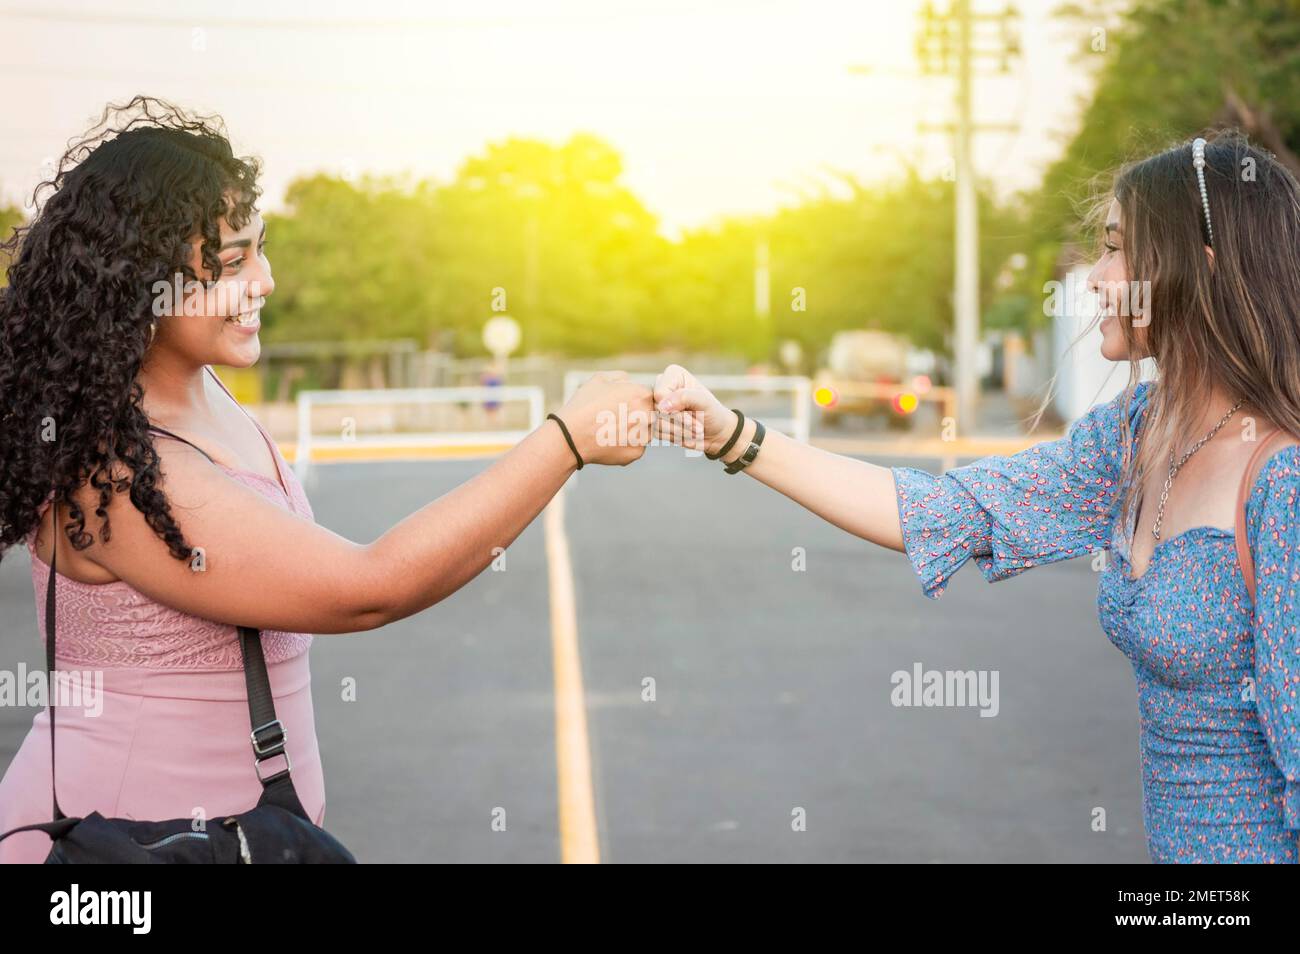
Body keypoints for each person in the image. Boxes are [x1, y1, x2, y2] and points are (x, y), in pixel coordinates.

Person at [0, 97, 652, 863]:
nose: (266, 281)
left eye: (261, 249)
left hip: (232, 840)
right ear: (144, 280)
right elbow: (366, 587)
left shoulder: (207, 397)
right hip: (122, 851)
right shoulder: (113, 470)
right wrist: (564, 441)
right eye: (234, 260)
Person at [653, 131, 1300, 863]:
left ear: (1200, 269)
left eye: (1116, 249)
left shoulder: (1281, 482)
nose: (1095, 278)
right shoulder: (1134, 435)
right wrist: (733, 436)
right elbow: (942, 513)